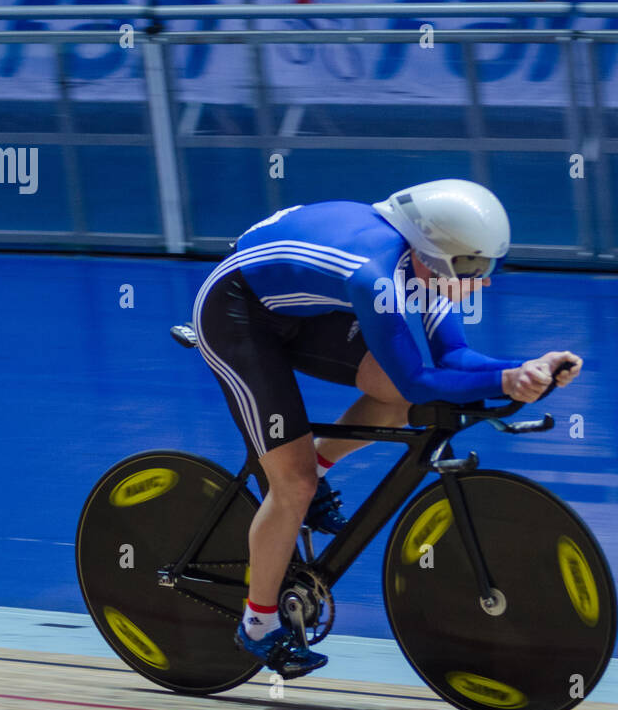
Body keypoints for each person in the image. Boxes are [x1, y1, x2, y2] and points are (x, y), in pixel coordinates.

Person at [191, 179, 582, 678]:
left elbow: (454, 358)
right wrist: (506, 380)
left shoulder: (430, 263)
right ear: (435, 253)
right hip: (235, 313)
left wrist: (526, 367)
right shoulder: (374, 274)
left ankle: (315, 464)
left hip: (298, 307)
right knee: (294, 483)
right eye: (473, 268)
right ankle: (259, 623)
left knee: (390, 398)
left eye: (490, 268)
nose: (482, 282)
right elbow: (420, 381)